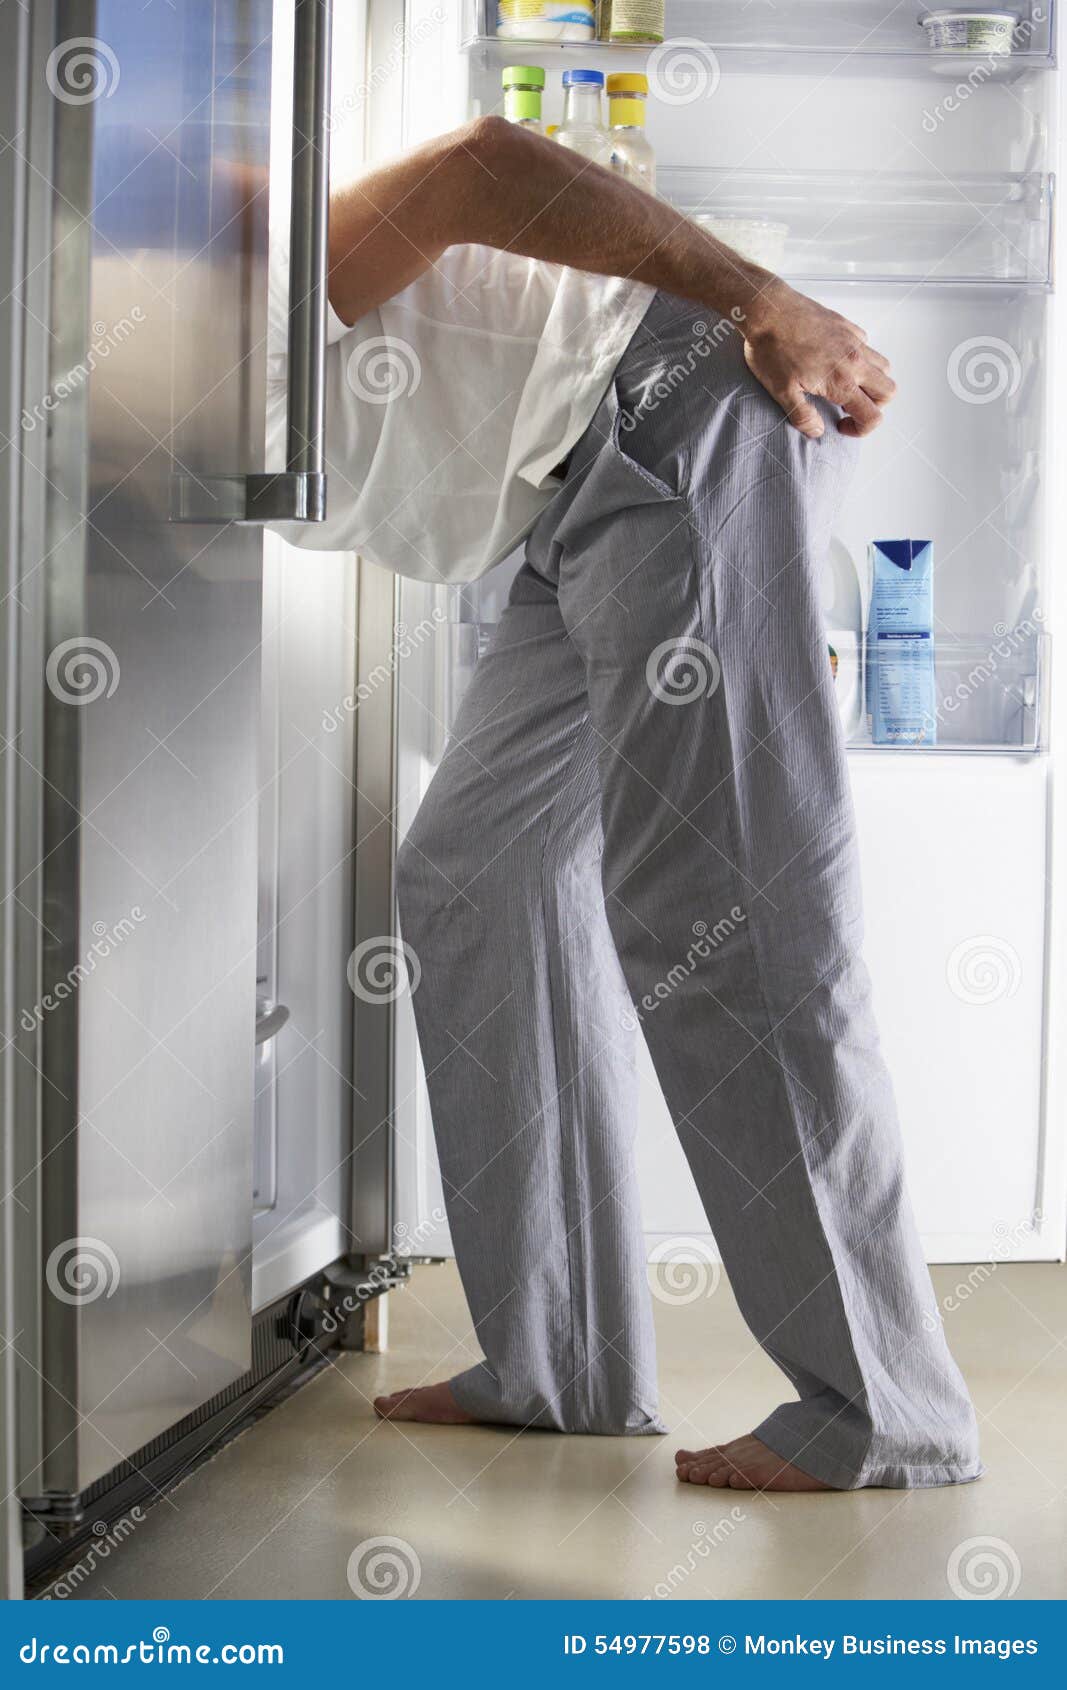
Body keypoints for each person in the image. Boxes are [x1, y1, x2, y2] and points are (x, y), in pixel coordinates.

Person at [280, 116, 981, 1492]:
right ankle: (563, 1363)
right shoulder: (115, 365)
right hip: (574, 506)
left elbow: (483, 160)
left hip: (676, 421)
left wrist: (758, 301)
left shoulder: (225, 250)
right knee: (480, 870)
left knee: (725, 907)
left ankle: (888, 1411)